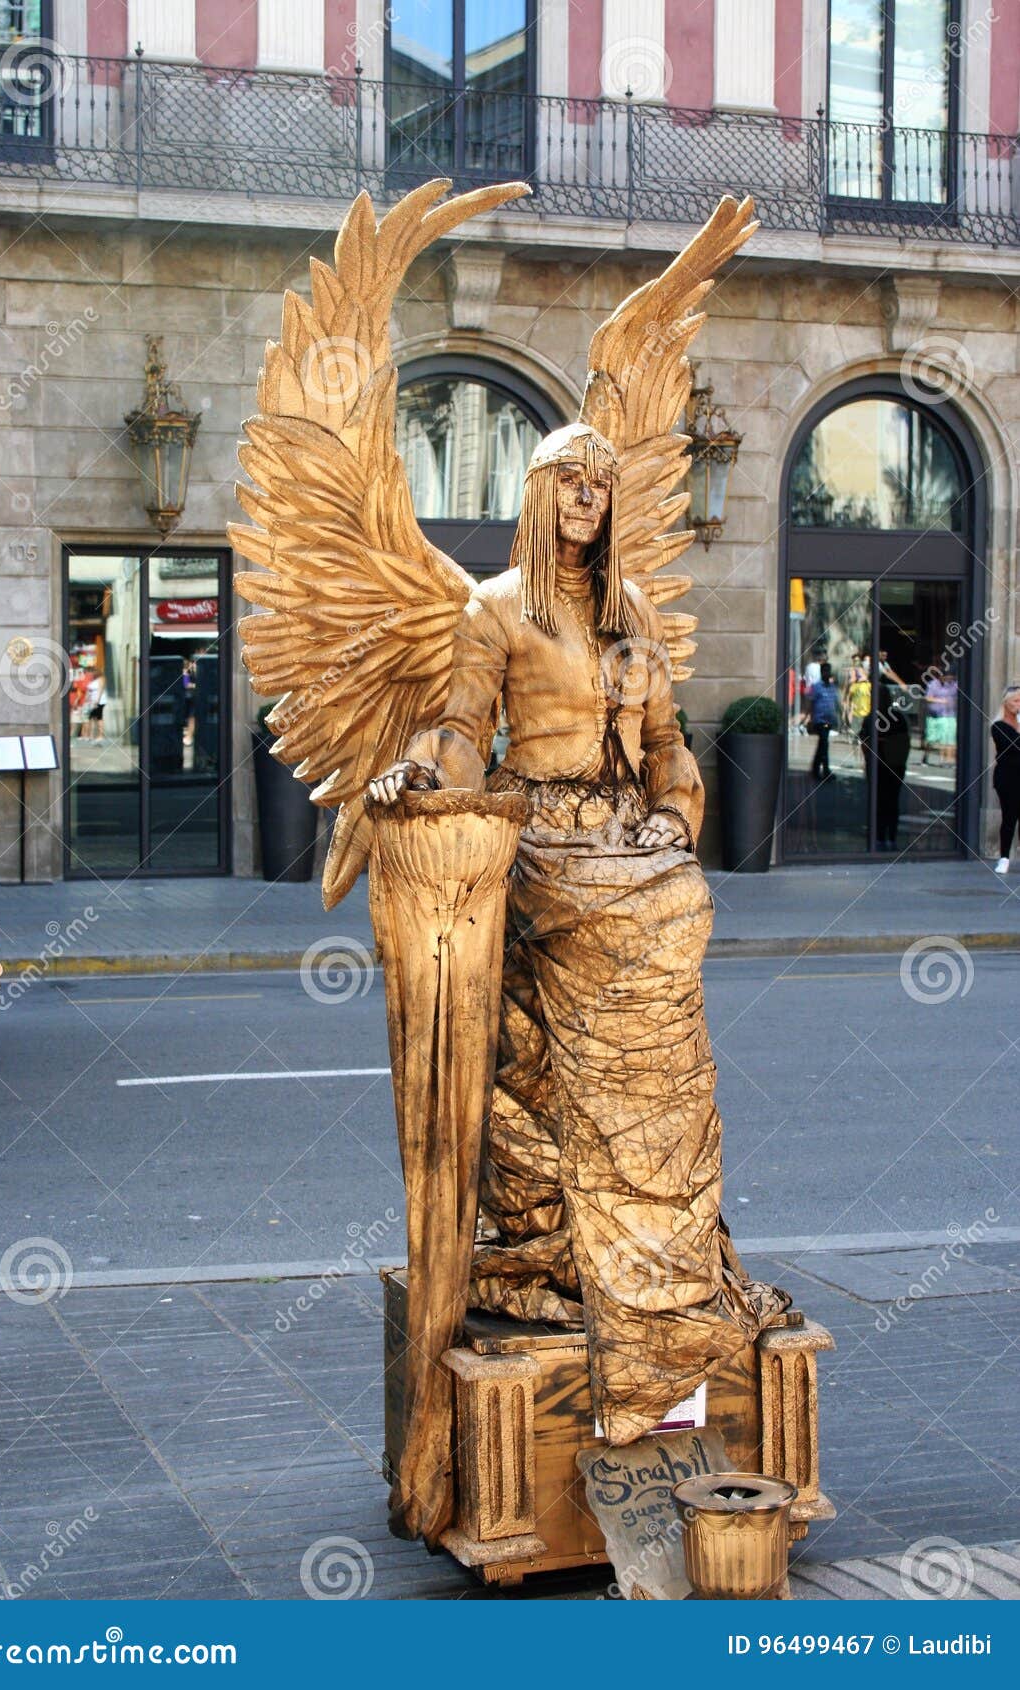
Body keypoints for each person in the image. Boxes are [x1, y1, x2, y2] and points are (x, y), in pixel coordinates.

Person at [369, 422, 788, 1443]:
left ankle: (668, 1257)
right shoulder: (494, 609)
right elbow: (465, 731)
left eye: (601, 485)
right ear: (539, 493)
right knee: (628, 935)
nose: (586, 499)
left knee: (680, 905)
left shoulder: (633, 611)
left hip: (623, 835)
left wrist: (667, 816)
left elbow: (667, 750)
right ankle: (577, 1250)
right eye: (570, 482)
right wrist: (424, 773)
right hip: (543, 842)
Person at [861, 684, 910, 850]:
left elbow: (865, 743)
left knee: (880, 801)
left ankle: (882, 836)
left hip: (884, 766)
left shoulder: (873, 719)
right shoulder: (895, 717)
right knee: (890, 802)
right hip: (893, 766)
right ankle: (888, 836)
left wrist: (877, 745)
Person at [991, 684, 1020, 874]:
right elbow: (1014, 745)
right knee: (1009, 817)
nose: (1019, 704)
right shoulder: (998, 726)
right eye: (1016, 700)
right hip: (1008, 778)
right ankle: (1004, 857)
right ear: (1006, 703)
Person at [806, 660, 841, 780]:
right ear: (821, 673)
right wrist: (809, 718)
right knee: (824, 743)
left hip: (829, 720)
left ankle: (816, 769)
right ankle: (825, 770)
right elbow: (811, 702)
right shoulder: (816, 687)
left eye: (828, 671)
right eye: (824, 671)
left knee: (823, 744)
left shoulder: (832, 688)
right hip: (820, 721)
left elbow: (835, 704)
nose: (826, 673)